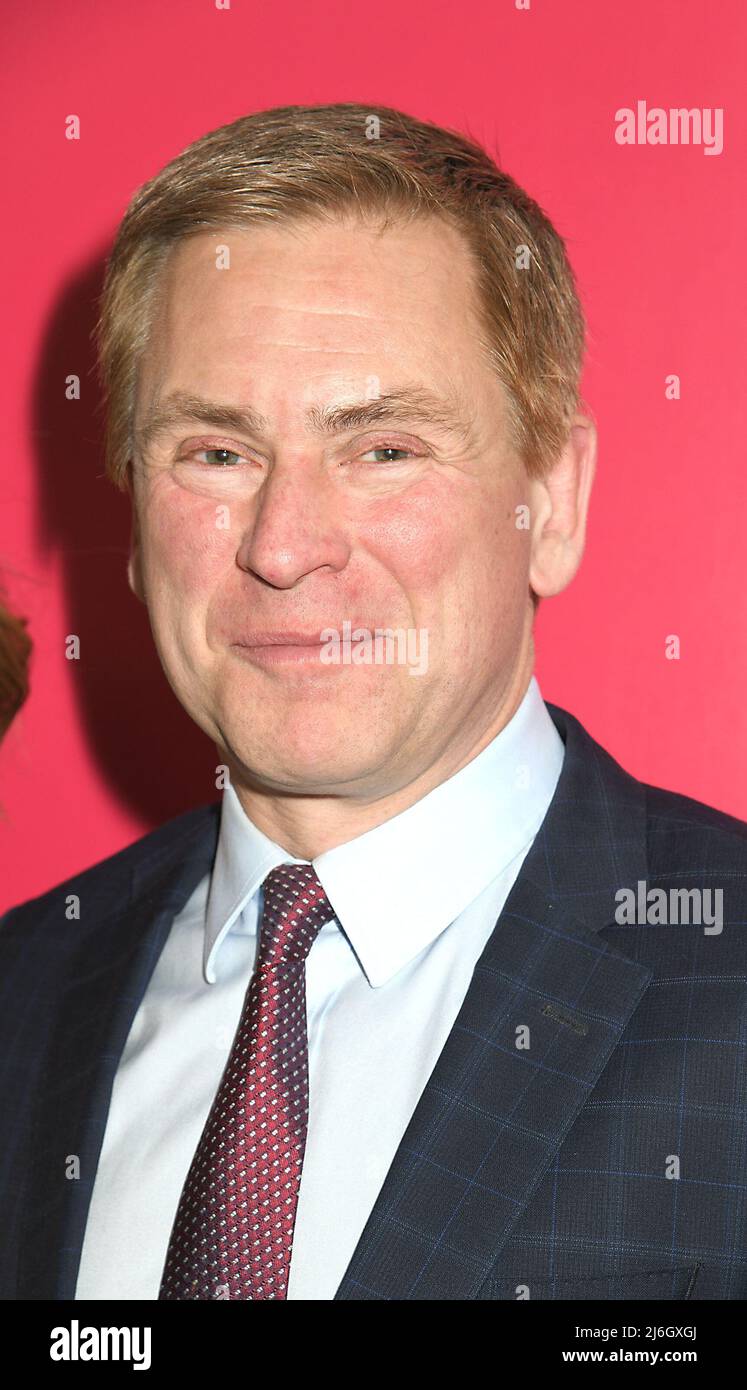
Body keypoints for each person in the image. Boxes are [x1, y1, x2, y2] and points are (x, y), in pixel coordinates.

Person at [1, 102, 745, 1303]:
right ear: (132, 515)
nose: (285, 548)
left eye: (385, 447)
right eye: (216, 453)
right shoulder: (24, 995)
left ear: (550, 501)